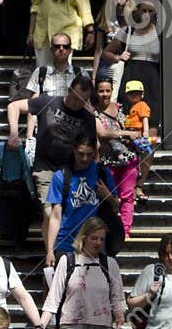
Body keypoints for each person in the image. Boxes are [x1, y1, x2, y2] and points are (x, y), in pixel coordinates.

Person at [6, 73, 97, 217]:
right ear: (69, 90)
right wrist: (14, 133)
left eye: (83, 101)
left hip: (70, 171)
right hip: (45, 168)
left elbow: (93, 148)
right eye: (75, 98)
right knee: (50, 212)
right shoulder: (49, 102)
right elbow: (13, 106)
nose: (77, 104)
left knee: (68, 212)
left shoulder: (88, 118)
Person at [43, 137, 122, 265]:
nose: (84, 158)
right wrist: (50, 251)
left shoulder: (102, 172)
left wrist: (108, 196)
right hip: (67, 243)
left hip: (96, 244)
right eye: (81, 154)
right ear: (74, 150)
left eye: (89, 154)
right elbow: (55, 217)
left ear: (94, 153)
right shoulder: (61, 176)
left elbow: (116, 207)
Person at [93, 75, 139, 240]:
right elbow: (103, 133)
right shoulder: (94, 112)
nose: (105, 94)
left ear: (112, 91)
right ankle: (110, 229)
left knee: (127, 197)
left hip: (128, 159)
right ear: (96, 92)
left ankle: (125, 230)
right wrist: (127, 133)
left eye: (108, 90)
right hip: (107, 162)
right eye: (101, 91)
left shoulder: (122, 107)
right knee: (110, 197)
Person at [121, 78, 155, 196]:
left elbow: (145, 118)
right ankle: (131, 186)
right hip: (130, 135)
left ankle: (136, 186)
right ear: (127, 95)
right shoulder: (131, 107)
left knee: (139, 159)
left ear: (143, 94)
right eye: (131, 93)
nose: (134, 95)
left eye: (137, 93)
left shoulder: (142, 105)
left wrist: (145, 131)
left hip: (138, 134)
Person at [24, 34, 74, 105]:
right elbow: (34, 103)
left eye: (65, 46)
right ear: (51, 49)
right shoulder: (40, 72)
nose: (61, 49)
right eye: (57, 46)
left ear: (70, 50)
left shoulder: (80, 73)